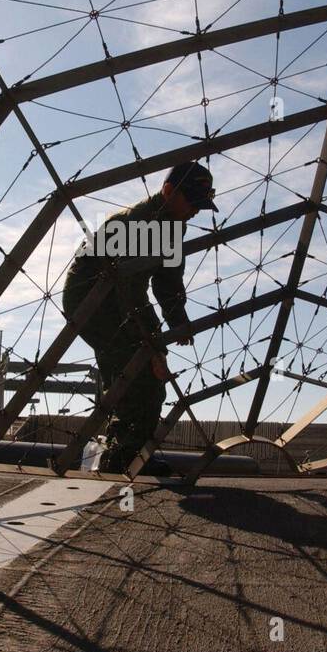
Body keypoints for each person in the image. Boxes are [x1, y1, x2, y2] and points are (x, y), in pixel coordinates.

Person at [61, 162, 216, 473]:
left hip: (119, 298)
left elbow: (167, 281)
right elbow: (128, 292)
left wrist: (177, 320)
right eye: (193, 203)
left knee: (141, 372)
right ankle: (122, 455)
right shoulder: (138, 222)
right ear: (169, 191)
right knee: (137, 371)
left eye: (201, 205)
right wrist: (154, 346)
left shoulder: (173, 224)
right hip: (92, 300)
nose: (196, 212)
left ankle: (127, 452)